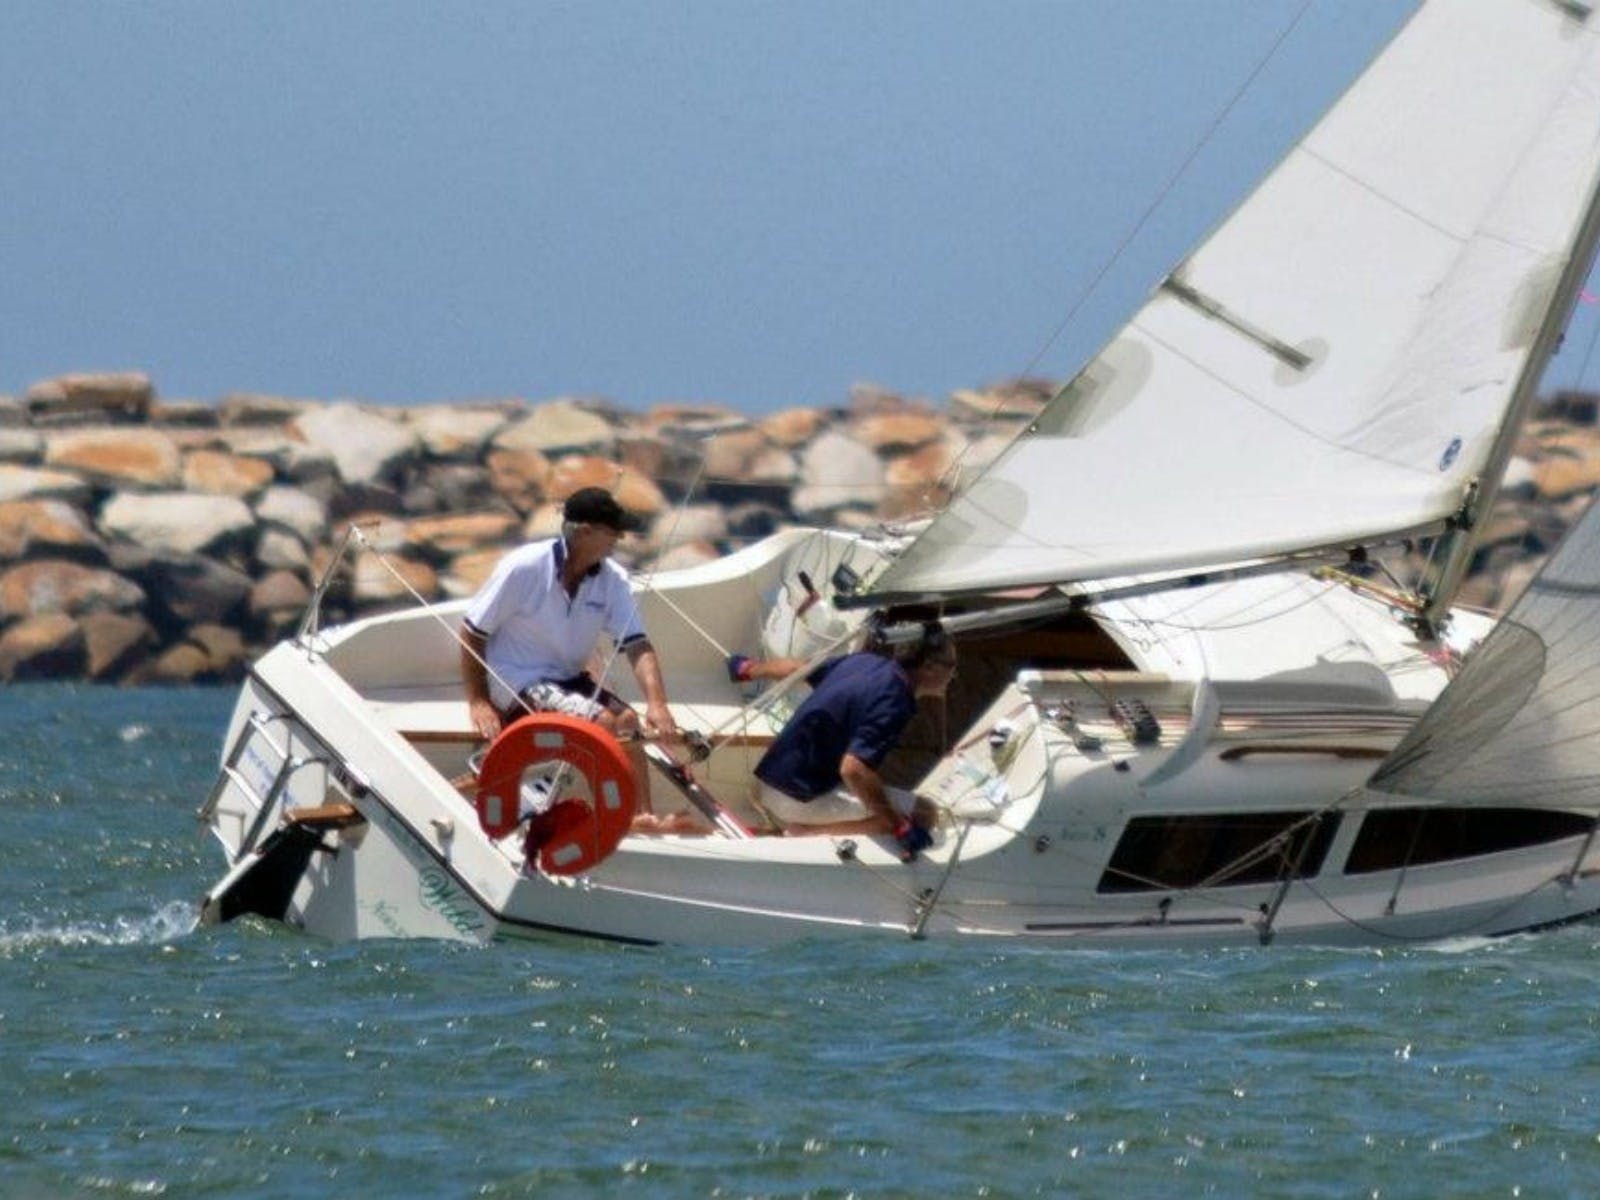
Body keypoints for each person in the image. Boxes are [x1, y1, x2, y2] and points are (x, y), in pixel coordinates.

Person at [459, 487, 680, 810]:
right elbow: (472, 631)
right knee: (601, 723)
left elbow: (637, 644)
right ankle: (614, 817)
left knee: (629, 720)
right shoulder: (526, 567)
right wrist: (479, 701)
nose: (620, 538)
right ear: (585, 532)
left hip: (568, 678)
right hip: (519, 678)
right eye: (613, 531)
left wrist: (657, 704)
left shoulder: (612, 578)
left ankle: (642, 816)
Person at [729, 622, 957, 859]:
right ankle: (806, 834)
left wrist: (749, 669)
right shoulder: (896, 701)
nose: (954, 674)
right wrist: (900, 825)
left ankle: (804, 827)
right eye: (952, 666)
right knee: (924, 813)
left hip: (770, 781)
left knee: (878, 794)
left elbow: (799, 669)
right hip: (796, 800)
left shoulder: (863, 662)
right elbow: (853, 769)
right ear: (929, 667)